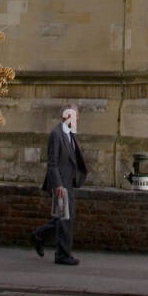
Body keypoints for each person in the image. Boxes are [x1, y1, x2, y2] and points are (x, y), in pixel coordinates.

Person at [31, 105, 87, 265]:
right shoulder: (56, 135)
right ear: (66, 116)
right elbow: (53, 163)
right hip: (60, 183)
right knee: (64, 219)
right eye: (74, 116)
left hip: (68, 182)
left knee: (64, 218)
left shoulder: (69, 134)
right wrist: (58, 186)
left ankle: (39, 235)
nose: (76, 120)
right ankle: (62, 255)